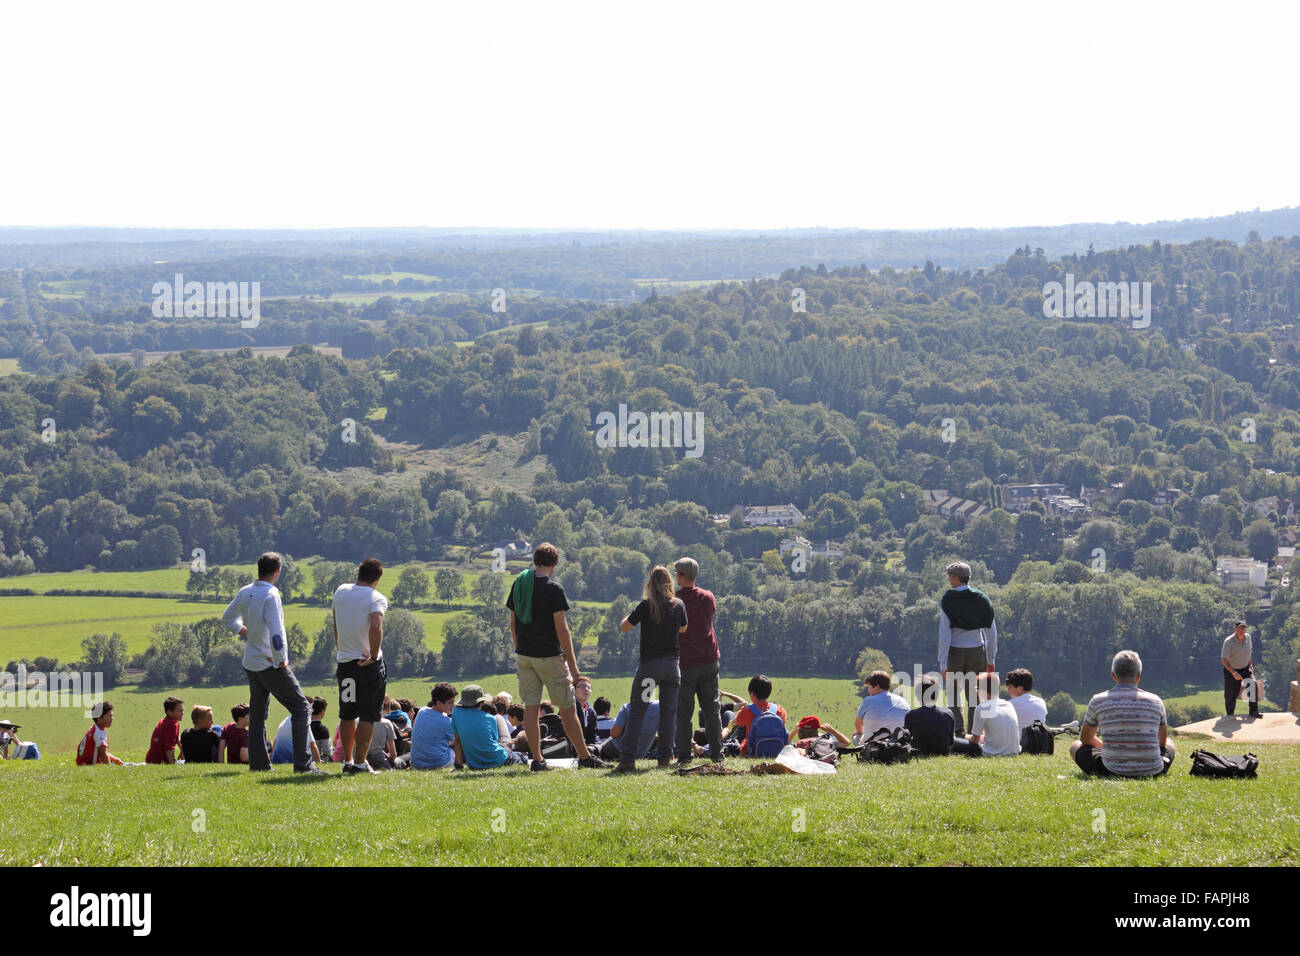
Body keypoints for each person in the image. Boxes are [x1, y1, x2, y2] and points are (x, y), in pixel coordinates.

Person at [505, 542, 608, 770]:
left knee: (530, 709)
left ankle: (538, 761)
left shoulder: (519, 585)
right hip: (549, 656)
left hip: (524, 656)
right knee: (568, 708)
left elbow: (512, 624)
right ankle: (584, 757)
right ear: (554, 563)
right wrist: (574, 667)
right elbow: (562, 630)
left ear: (535, 560)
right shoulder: (554, 589)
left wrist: (519, 648)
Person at [223, 551, 323, 774]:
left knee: (257, 715)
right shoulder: (271, 594)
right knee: (301, 707)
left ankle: (259, 765)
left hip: (251, 661)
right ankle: (303, 764)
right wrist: (281, 661)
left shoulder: (245, 591)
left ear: (259, 569)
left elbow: (227, 618)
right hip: (270, 663)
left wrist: (244, 631)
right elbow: (277, 635)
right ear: (277, 571)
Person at [614, 565, 687, 772]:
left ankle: (628, 758)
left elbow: (624, 626)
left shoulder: (647, 606)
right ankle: (665, 757)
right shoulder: (679, 604)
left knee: (638, 711)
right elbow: (684, 628)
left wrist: (627, 616)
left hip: (650, 668)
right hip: (672, 668)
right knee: (669, 712)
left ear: (650, 584)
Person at [1070, 650, 1176, 777]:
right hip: (1153, 770)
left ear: (1113, 675)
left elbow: (1085, 738)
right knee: (1171, 743)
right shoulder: (1156, 701)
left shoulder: (1098, 701)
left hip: (1110, 769)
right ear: (1138, 675)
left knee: (1076, 746)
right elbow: (1162, 742)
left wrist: (1108, 747)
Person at [333, 556, 389, 776]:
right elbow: (375, 625)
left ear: (359, 573)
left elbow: (335, 622)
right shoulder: (377, 598)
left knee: (347, 713)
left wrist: (342, 648)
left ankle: (346, 760)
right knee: (368, 714)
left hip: (345, 663)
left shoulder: (341, 591)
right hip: (368, 667)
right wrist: (374, 656)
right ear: (377, 579)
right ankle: (359, 763)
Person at [673, 557, 724, 767]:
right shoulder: (708, 597)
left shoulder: (674, 600)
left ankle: (685, 755)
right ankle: (717, 754)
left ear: (680, 576)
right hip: (709, 659)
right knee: (712, 708)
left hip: (685, 662)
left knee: (684, 711)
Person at [938, 561, 998, 736]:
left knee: (953, 694)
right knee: (975, 695)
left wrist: (942, 662)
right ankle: (975, 732)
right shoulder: (982, 599)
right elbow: (991, 632)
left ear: (956, 578)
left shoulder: (949, 599)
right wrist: (990, 659)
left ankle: (958, 732)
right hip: (977, 652)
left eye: (949, 576)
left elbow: (944, 634)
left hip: (955, 652)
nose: (949, 580)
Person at [451, 685, 527, 769]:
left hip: (474, 764)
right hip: (498, 759)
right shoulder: (490, 718)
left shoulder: (456, 713)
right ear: (482, 702)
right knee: (519, 756)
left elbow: (457, 741)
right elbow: (494, 741)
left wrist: (458, 766)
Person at [903, 675, 977, 756]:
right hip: (943, 751)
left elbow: (906, 741)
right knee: (974, 746)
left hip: (919, 751)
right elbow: (951, 743)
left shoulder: (911, 715)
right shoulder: (948, 713)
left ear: (917, 696)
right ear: (937, 695)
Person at [722, 676, 787, 756]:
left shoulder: (747, 710)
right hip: (777, 751)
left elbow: (738, 723)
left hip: (752, 751)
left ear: (752, 694)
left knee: (729, 714)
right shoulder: (779, 710)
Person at [966, 673, 1020, 757]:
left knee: (955, 741)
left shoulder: (981, 708)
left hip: (992, 753)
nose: (976, 692)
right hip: (1014, 752)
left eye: (977, 688)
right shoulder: (1009, 705)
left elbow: (974, 740)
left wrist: (965, 736)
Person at [411, 682, 458, 770]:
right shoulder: (446, 722)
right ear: (439, 703)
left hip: (416, 763)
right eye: (450, 702)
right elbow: (458, 740)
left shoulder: (422, 711)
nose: (453, 705)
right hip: (438, 763)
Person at [855, 671, 910, 741]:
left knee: (856, 737)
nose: (868, 691)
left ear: (877, 686)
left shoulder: (868, 701)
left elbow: (858, 724)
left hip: (873, 744)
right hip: (898, 743)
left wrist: (860, 732)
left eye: (869, 687)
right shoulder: (903, 701)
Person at [1221, 621, 1260, 718]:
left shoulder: (1248, 637)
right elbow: (1224, 660)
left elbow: (1249, 652)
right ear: (1235, 629)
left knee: (1253, 685)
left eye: (1244, 628)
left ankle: (1253, 712)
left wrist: (1250, 664)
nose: (1242, 630)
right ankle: (1230, 715)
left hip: (1245, 668)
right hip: (1232, 670)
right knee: (1230, 694)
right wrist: (1233, 672)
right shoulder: (1228, 641)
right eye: (1240, 628)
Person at [273, 698, 327, 764]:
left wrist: (271, 757)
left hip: (276, 760)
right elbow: (313, 745)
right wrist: (318, 762)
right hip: (292, 761)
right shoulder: (302, 722)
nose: (311, 711)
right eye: (310, 709)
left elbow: (275, 741)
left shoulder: (285, 720)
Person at [76, 701, 124, 766]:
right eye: (109, 716)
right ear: (99, 717)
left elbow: (101, 751)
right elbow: (103, 754)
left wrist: (115, 759)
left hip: (83, 765)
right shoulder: (99, 733)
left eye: (112, 716)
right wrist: (110, 770)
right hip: (89, 766)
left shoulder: (94, 728)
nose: (112, 718)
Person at [144, 696, 184, 765]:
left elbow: (176, 738)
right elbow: (168, 747)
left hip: (150, 759)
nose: (182, 713)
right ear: (169, 712)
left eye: (182, 710)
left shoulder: (164, 721)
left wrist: (182, 749)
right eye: (179, 711)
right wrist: (172, 763)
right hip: (161, 761)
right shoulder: (173, 724)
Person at [572, 677, 598, 747]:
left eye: (589, 687)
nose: (586, 689)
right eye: (582, 687)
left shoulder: (591, 712)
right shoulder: (568, 710)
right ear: (573, 690)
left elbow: (593, 735)